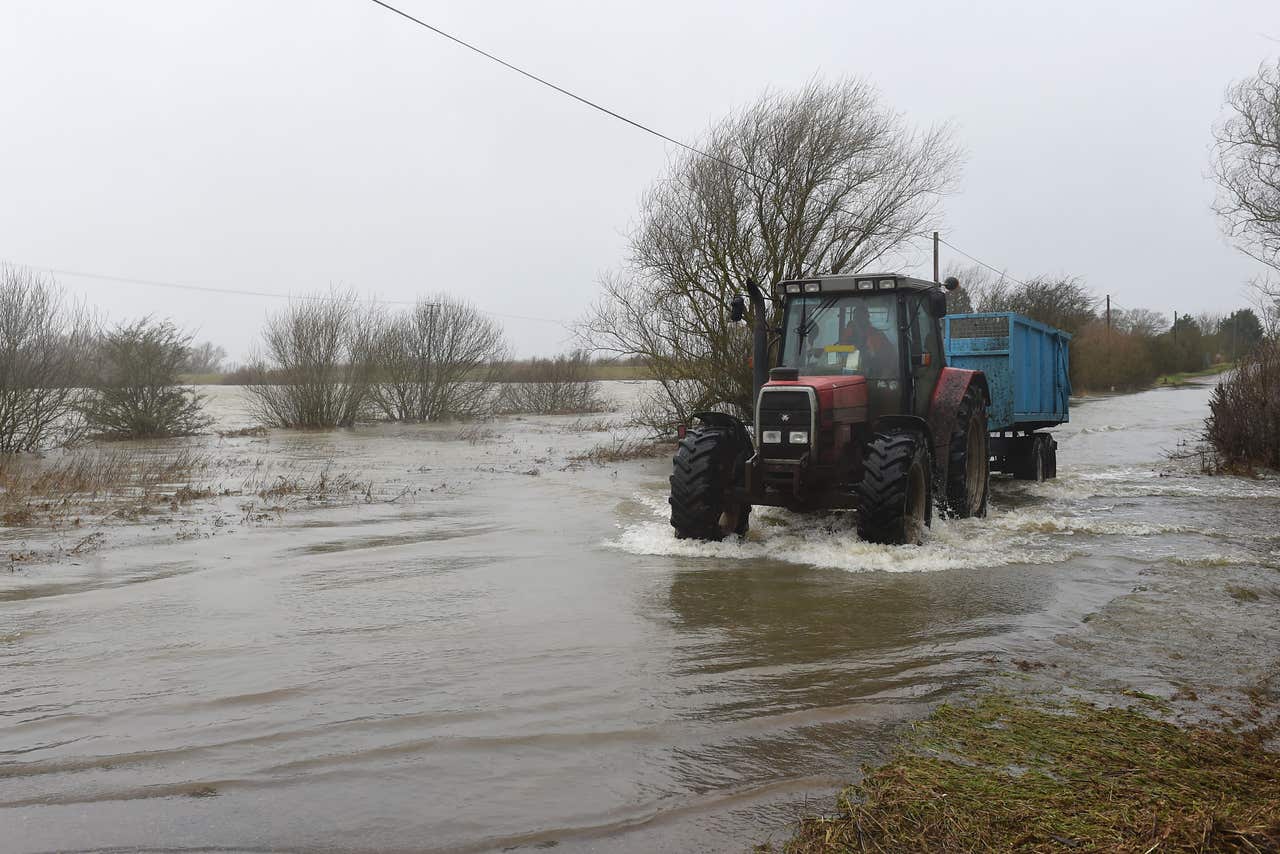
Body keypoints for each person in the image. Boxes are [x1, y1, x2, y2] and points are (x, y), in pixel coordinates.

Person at [839, 303, 894, 375]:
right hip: (850, 372)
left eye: (861, 317)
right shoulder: (847, 333)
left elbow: (889, 355)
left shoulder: (877, 334)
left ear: (867, 317)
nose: (859, 320)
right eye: (856, 317)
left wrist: (886, 372)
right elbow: (841, 352)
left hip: (873, 372)